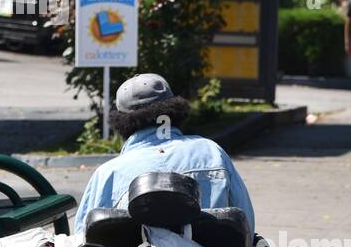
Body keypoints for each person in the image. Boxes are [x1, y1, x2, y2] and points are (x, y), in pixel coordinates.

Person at [73, 73, 255, 233]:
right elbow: (246, 222)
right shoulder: (212, 152)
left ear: (121, 122)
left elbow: (83, 237)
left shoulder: (108, 174)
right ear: (175, 110)